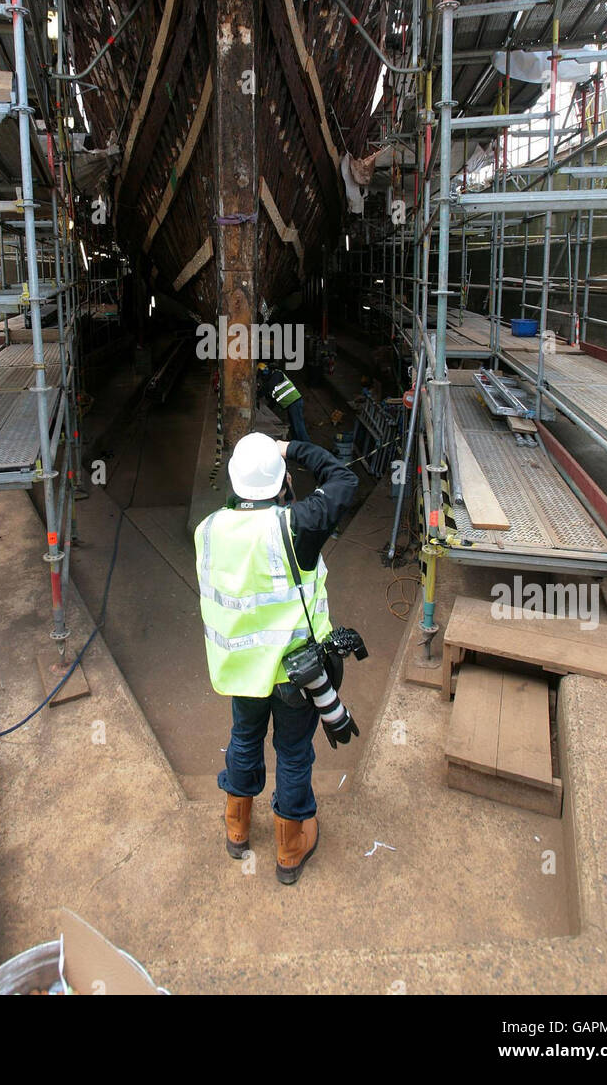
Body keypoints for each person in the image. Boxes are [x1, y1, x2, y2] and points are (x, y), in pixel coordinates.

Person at [194, 432, 358, 884]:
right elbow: (344, 479)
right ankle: (289, 847)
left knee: (244, 739)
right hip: (296, 676)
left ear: (234, 480)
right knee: (293, 753)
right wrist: (291, 448)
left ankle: (238, 827)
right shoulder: (297, 527)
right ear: (283, 481)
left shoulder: (207, 530)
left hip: (240, 671)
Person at [257, 362, 310, 442]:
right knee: (294, 425)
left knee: (298, 426)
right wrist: (266, 410)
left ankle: (306, 444)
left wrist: (258, 395)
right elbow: (273, 399)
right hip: (290, 404)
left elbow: (269, 386)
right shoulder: (271, 380)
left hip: (295, 402)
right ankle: (296, 442)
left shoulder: (277, 374)